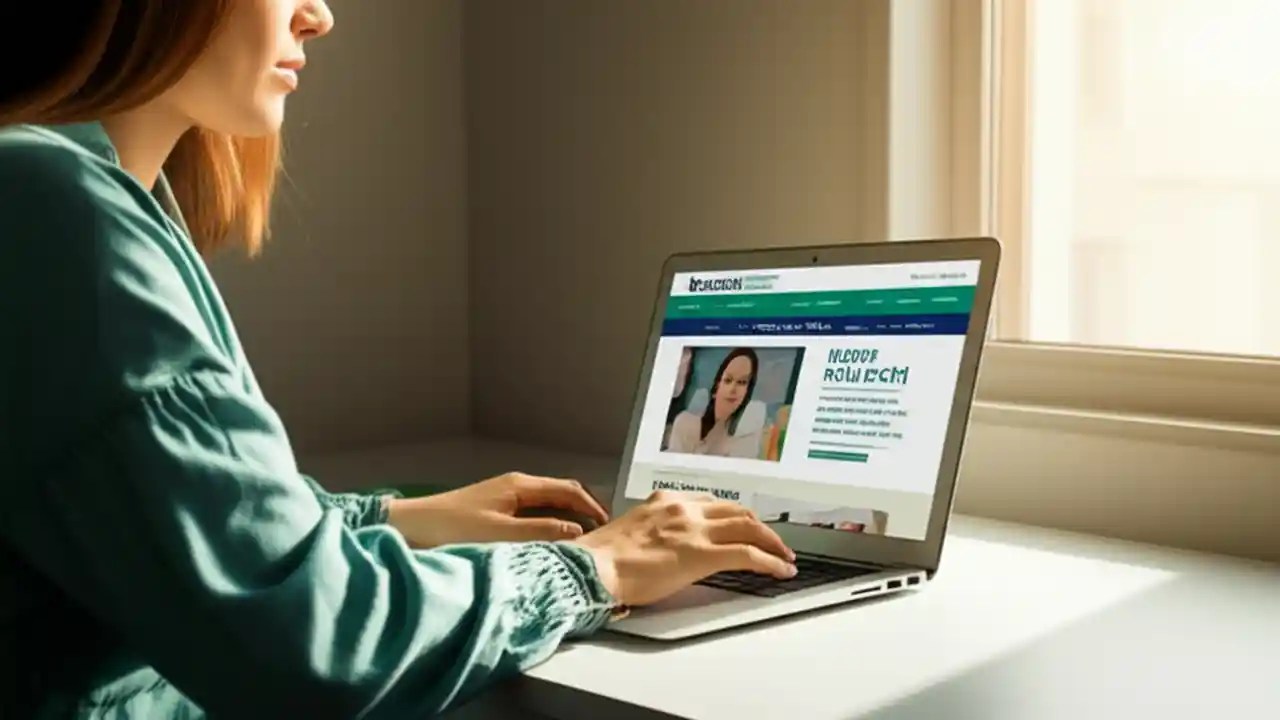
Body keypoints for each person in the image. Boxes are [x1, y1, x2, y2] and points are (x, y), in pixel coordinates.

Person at [0, 3, 798, 718]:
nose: (319, 15)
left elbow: (165, 522)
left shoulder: (69, 192)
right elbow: (311, 648)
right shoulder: (53, 208)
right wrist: (593, 571)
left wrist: (398, 520)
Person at [667, 348, 762, 458]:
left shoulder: (744, 445)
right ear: (716, 387)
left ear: (747, 393)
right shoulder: (685, 424)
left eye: (742, 382)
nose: (733, 389)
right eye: (728, 380)